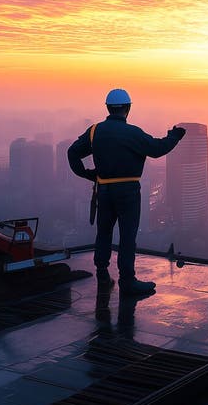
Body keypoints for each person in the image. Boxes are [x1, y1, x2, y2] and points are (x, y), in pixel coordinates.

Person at [68, 89, 186, 296]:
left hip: (104, 190)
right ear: (128, 108)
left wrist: (88, 175)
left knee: (103, 232)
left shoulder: (95, 131)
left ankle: (102, 273)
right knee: (127, 236)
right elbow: (157, 149)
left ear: (108, 108)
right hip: (128, 192)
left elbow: (73, 152)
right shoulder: (132, 133)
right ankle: (127, 281)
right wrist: (174, 136)